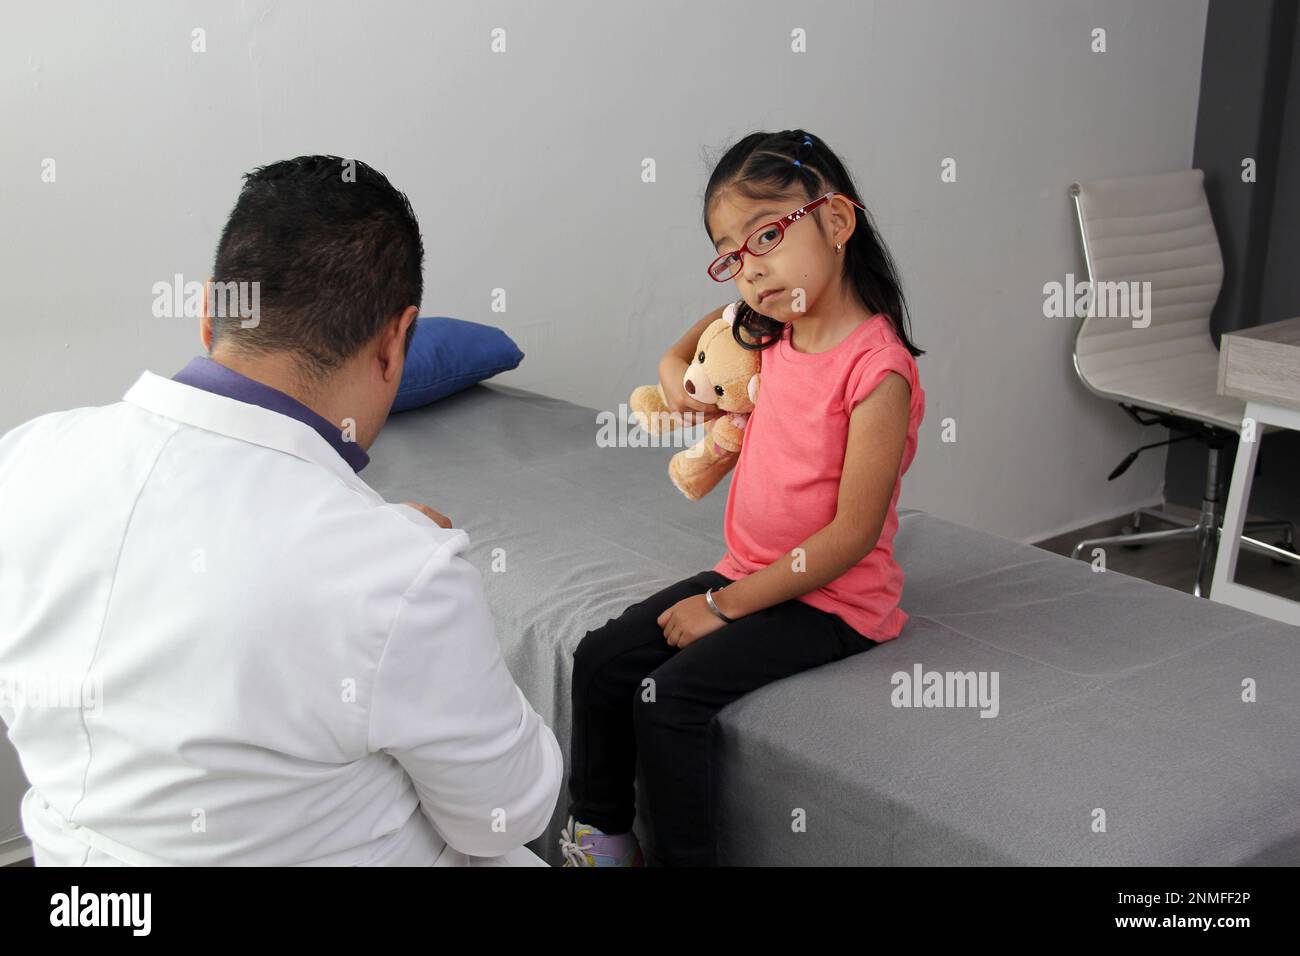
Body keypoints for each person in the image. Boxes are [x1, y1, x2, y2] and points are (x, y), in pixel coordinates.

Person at [0, 156, 561, 866]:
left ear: (208, 312)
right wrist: (409, 566)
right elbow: (506, 812)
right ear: (396, 342)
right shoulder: (399, 571)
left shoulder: (22, 459)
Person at [560, 130, 927, 867]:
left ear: (836, 221)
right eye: (731, 254)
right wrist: (673, 375)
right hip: (749, 571)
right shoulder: (769, 333)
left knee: (666, 701)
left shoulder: (876, 370)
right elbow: (684, 353)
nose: (748, 271)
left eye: (765, 236)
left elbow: (852, 536)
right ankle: (603, 840)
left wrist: (723, 608)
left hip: (830, 602)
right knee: (601, 657)